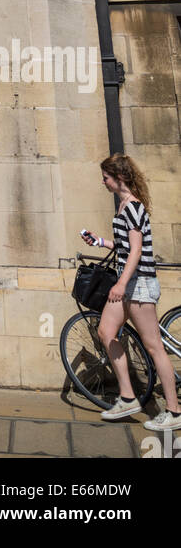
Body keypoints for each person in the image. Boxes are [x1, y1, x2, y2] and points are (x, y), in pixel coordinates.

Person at [82, 153, 181, 429]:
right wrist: (100, 241)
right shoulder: (125, 205)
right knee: (105, 332)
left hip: (140, 285)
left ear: (119, 177)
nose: (103, 182)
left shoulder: (133, 207)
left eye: (106, 177)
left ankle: (173, 412)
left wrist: (121, 283)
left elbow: (136, 250)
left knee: (154, 347)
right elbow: (126, 246)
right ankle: (127, 397)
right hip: (129, 284)